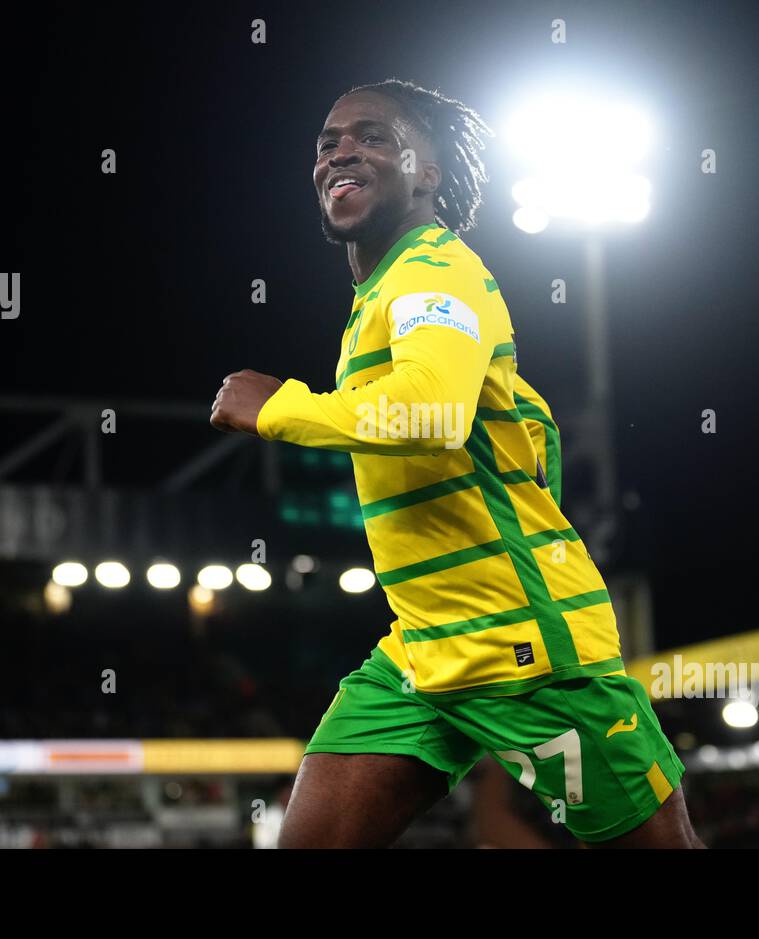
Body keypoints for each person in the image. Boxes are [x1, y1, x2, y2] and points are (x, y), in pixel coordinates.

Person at [211, 78, 700, 848]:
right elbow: (512, 424)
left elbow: (433, 409)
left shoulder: (432, 271)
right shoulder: (384, 289)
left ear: (427, 173)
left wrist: (279, 408)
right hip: (422, 647)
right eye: (328, 142)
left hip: (523, 649)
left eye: (371, 136)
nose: (340, 151)